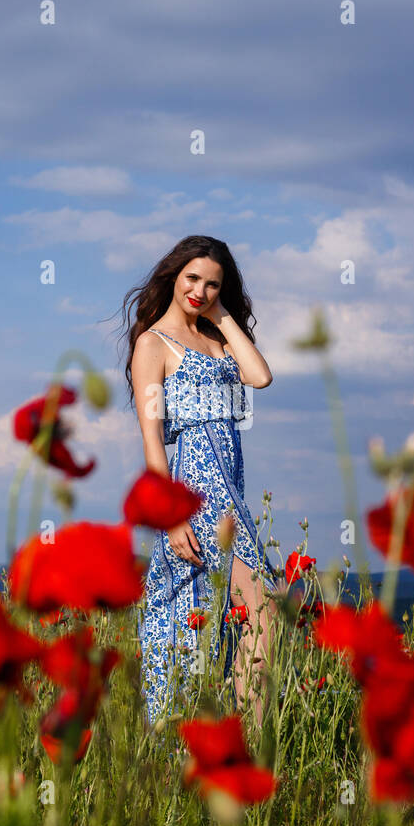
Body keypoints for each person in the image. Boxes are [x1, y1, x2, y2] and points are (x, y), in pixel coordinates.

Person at [118, 235, 277, 728]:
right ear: (173, 275)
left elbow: (260, 376)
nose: (200, 291)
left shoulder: (217, 337)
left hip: (232, 485)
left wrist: (223, 316)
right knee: (259, 607)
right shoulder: (152, 344)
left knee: (224, 616)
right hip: (194, 485)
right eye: (192, 278)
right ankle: (238, 735)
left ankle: (225, 732)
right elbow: (151, 440)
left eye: (213, 284)